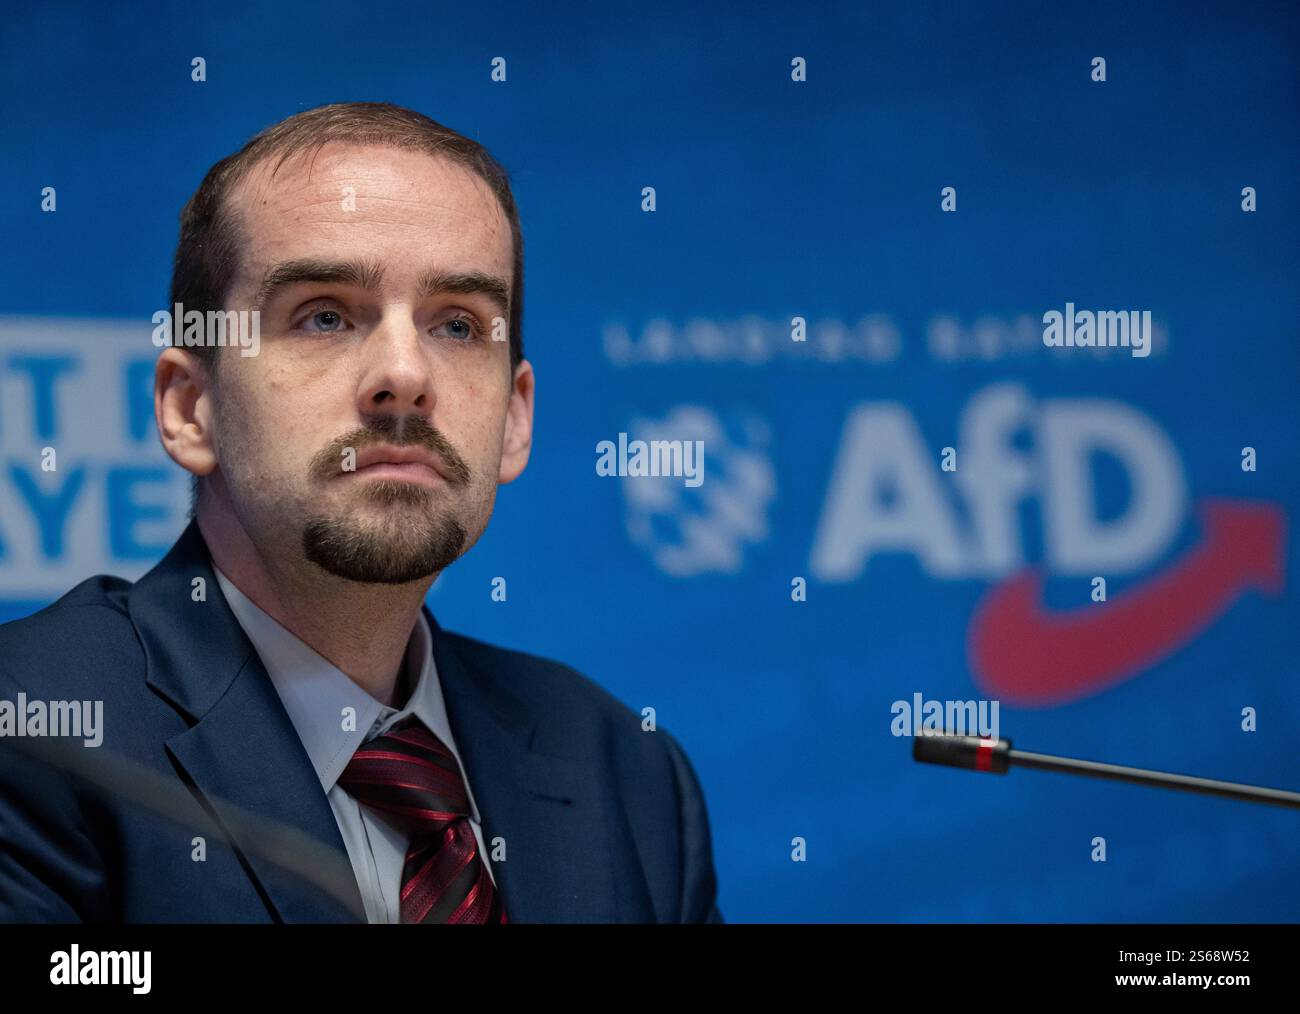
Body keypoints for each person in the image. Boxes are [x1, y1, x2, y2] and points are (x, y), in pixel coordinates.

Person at [0, 102, 722, 924]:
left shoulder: (624, 774)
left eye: (458, 324)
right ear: (189, 407)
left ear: (515, 420)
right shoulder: (36, 735)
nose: (406, 374)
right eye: (325, 315)